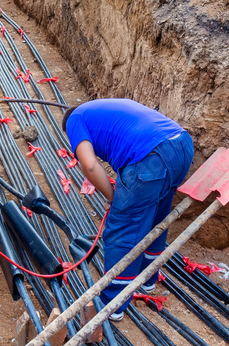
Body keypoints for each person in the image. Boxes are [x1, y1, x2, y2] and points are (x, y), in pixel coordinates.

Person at [62, 98, 194, 321]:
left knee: (123, 225)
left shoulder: (74, 119)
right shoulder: (106, 109)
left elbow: (90, 165)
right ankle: (148, 278)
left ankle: (113, 303)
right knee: (156, 214)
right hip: (181, 146)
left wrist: (114, 199)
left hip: (152, 157)